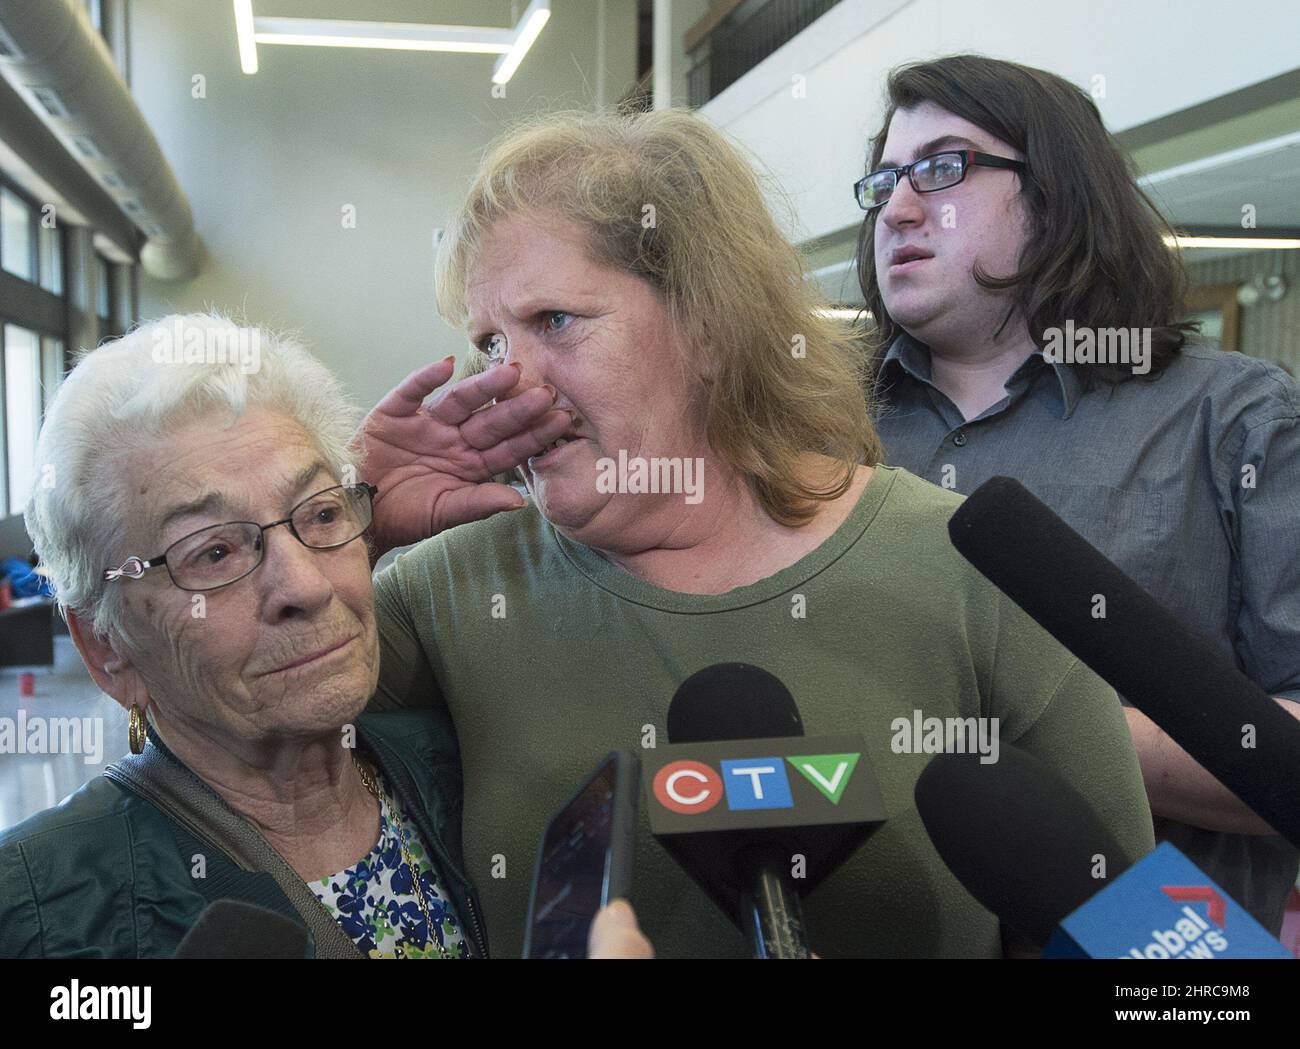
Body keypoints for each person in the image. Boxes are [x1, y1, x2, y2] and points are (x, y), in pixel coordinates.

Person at [360, 107, 1157, 958]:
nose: (505, 381)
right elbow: (218, 728)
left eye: (555, 321)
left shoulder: (974, 567)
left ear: (707, 325)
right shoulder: (443, 592)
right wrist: (354, 513)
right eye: (488, 343)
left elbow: (1146, 946)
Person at [857, 54, 1300, 934]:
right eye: (884, 181)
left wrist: (1037, 732)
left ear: (1058, 191)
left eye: (943, 168)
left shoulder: (1233, 418)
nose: (900, 207)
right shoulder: (822, 431)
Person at [0, 313, 567, 958]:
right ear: (106, 649)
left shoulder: (463, 771)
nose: (307, 587)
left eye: (323, 513)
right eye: (213, 553)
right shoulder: (36, 917)